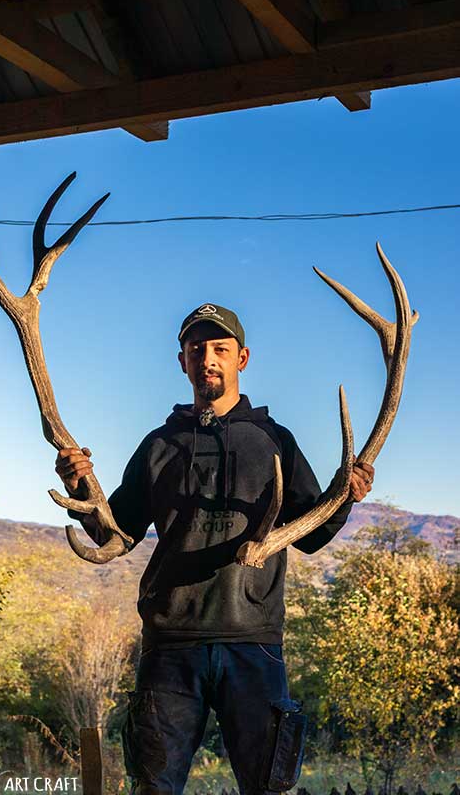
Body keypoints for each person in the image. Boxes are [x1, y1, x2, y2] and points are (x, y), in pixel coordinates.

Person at [55, 303, 374, 795]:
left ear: (241, 358)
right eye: (196, 348)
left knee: (267, 788)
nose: (208, 357)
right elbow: (115, 535)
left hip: (254, 644)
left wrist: (343, 493)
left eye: (220, 349)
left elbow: (311, 534)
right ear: (181, 361)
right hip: (170, 646)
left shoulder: (274, 441)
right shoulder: (158, 445)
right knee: (154, 788)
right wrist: (81, 490)